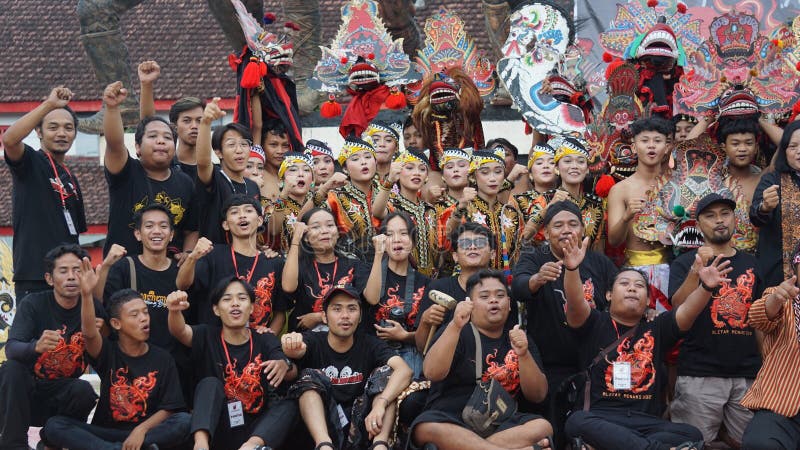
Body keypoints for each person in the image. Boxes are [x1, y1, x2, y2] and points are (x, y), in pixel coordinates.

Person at [562, 251, 724, 449]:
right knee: (576, 422)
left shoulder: (657, 327)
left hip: (645, 423)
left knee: (691, 433)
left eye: (639, 286)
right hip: (601, 418)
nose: (632, 288)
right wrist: (572, 269)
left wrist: (706, 287)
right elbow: (575, 301)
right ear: (608, 295)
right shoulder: (594, 322)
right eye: (624, 284)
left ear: (648, 300)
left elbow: (688, 310)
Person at [42, 265, 190, 450]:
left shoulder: (163, 358)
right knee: (54, 426)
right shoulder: (108, 352)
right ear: (116, 323)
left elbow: (169, 408)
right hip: (106, 432)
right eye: (135, 315)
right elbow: (89, 334)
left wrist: (141, 431)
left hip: (147, 433)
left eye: (145, 312)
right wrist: (87, 295)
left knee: (184, 421)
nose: (144, 318)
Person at [411, 270, 553, 450]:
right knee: (425, 428)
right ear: (469, 304)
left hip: (499, 422)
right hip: (452, 418)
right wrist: (455, 325)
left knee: (543, 427)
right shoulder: (457, 330)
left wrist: (523, 354)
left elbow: (538, 395)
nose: (493, 300)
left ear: (509, 304)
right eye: (484, 296)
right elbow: (432, 372)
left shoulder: (519, 338)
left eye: (500, 295)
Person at [668, 193, 763, 447]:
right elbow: (677, 306)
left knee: (753, 443)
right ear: (699, 225)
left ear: (735, 219)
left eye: (725, 214)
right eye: (710, 216)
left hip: (747, 375)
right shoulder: (684, 263)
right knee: (690, 444)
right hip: (700, 373)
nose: (719, 220)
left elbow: (759, 321)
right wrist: (697, 269)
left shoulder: (754, 264)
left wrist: (764, 369)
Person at [167, 278, 298, 450]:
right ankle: (200, 445)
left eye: (242, 299)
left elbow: (292, 371)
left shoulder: (264, 339)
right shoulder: (207, 335)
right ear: (216, 309)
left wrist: (284, 364)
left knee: (292, 402)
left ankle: (251, 447)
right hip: (217, 426)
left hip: (257, 430)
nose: (235, 304)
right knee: (209, 384)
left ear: (251, 308)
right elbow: (180, 331)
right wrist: (174, 312)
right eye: (227, 299)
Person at [511, 201, 618, 412]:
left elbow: (618, 289)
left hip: (594, 360)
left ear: (582, 229)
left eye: (573, 224)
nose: (566, 230)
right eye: (558, 225)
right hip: (551, 363)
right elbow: (519, 287)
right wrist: (537, 279)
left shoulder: (599, 262)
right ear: (546, 232)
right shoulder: (534, 257)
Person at [281, 286, 413, 450]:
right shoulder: (313, 340)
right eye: (337, 309)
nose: (345, 316)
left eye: (352, 309)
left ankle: (380, 445)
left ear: (359, 317)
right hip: (322, 427)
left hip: (362, 425)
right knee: (308, 377)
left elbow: (404, 370)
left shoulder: (370, 344)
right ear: (324, 316)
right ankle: (324, 446)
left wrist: (381, 403)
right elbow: (297, 350)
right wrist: (290, 345)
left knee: (387, 374)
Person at [0, 245, 104, 449]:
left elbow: (107, 359)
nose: (72, 277)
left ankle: (52, 442)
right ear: (49, 278)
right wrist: (35, 347)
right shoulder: (33, 304)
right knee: (11, 370)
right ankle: (13, 444)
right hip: (24, 394)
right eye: (63, 271)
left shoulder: (93, 308)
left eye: (77, 270)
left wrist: (100, 334)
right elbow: (11, 348)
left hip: (61, 395)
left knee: (83, 391)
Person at [1, 86, 87, 298]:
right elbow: (10, 139)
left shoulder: (70, 177)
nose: (61, 133)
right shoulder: (30, 161)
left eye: (68, 128)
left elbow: (75, 233)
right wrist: (49, 104)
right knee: (35, 333)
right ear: (38, 132)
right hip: (35, 275)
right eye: (53, 127)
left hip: (68, 278)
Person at [101, 81, 199, 261]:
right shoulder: (126, 171)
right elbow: (114, 143)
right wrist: (112, 108)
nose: (161, 141)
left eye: (167, 137)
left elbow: (191, 229)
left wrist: (188, 254)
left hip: (165, 275)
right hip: (122, 271)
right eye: (153, 136)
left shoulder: (185, 183)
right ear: (137, 147)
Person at [177, 195, 287, 333]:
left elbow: (280, 312)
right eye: (234, 212)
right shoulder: (212, 255)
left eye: (248, 211)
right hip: (216, 345)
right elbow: (182, 285)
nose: (242, 216)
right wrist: (193, 257)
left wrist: (268, 341)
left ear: (259, 220)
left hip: (256, 348)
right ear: (226, 225)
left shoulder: (275, 262)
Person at [415, 222, 520, 353]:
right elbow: (421, 348)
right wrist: (425, 321)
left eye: (480, 243)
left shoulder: (503, 293)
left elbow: (512, 342)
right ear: (455, 256)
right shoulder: (437, 289)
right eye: (465, 244)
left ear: (493, 253)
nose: (472, 247)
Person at [607, 117, 674, 310]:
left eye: (657, 141)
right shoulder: (621, 189)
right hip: (635, 272)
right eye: (645, 141)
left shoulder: (675, 185)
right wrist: (627, 216)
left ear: (667, 146)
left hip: (672, 269)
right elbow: (614, 240)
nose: (651, 146)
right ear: (634, 147)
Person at [739, 252, 800, 449]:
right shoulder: (782, 297)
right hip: (782, 404)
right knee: (761, 443)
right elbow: (758, 317)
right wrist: (776, 299)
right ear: (795, 268)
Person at [364, 213, 430, 379]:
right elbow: (371, 299)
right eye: (389, 234)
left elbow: (428, 336)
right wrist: (378, 254)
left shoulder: (426, 283)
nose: (397, 239)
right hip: (375, 355)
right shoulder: (370, 272)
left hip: (412, 357)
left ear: (413, 242)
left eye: (403, 233)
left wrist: (405, 336)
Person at [282, 208, 370, 332]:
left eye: (329, 225)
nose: (324, 231)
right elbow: (288, 287)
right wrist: (296, 239)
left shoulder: (354, 266)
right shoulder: (298, 266)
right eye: (316, 227)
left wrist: (319, 317)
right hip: (304, 342)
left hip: (346, 340)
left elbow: (366, 303)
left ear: (338, 233)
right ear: (306, 237)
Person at [445, 148, 523, 272]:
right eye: (485, 172)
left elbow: (518, 252)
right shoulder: (464, 208)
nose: (492, 178)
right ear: (473, 177)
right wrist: (461, 206)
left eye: (498, 172)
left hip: (504, 283)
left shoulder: (510, 212)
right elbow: (447, 237)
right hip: (470, 281)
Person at [196, 99, 262, 244]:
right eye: (231, 145)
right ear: (219, 153)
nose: (239, 150)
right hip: (215, 258)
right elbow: (202, 162)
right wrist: (206, 122)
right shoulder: (215, 178)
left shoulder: (252, 186)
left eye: (244, 144)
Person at [523, 137, 604, 249]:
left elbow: (598, 248)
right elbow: (526, 235)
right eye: (567, 161)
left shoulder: (595, 204)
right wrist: (550, 207)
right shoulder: (546, 198)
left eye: (580, 161)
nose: (574, 166)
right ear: (556, 168)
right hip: (551, 264)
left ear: (587, 169)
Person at [313, 136, 380, 261]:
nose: (363, 162)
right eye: (355, 159)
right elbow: (305, 221)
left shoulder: (388, 194)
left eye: (368, 157)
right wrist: (325, 189)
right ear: (345, 168)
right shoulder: (335, 197)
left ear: (375, 162)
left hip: (387, 266)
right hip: (349, 268)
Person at [373, 150, 439, 277]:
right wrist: (390, 180)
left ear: (426, 177)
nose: (416, 173)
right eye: (409, 167)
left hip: (431, 280)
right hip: (401, 279)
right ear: (398, 172)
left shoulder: (430, 210)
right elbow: (377, 212)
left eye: (422, 169)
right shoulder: (392, 206)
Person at [750, 121, 800, 288]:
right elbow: (755, 216)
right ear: (784, 151)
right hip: (779, 272)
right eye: (793, 146)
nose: (799, 151)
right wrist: (765, 207)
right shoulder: (772, 180)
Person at [137, 60, 205, 178]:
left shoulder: (215, 173)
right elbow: (148, 123)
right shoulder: (163, 165)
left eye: (200, 121)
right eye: (187, 120)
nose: (194, 126)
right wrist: (146, 84)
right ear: (174, 126)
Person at [430, 148, 471, 276]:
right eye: (449, 166)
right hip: (446, 274)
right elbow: (438, 246)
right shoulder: (435, 207)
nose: (455, 169)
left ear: (471, 172)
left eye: (461, 165)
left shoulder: (479, 204)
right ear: (442, 175)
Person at [266, 152, 315, 253]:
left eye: (306, 170)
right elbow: (273, 230)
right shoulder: (270, 206)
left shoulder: (322, 204)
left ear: (312, 180)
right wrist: (284, 193)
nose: (301, 174)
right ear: (281, 180)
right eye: (293, 170)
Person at [514, 143, 558, 225]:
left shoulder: (566, 197)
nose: (546, 166)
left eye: (552, 163)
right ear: (530, 174)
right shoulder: (518, 201)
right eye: (539, 163)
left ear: (558, 170)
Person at [260, 122, 291, 205]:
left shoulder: (297, 176)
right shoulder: (257, 176)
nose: (280, 151)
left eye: (285, 146)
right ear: (262, 146)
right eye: (273, 145)